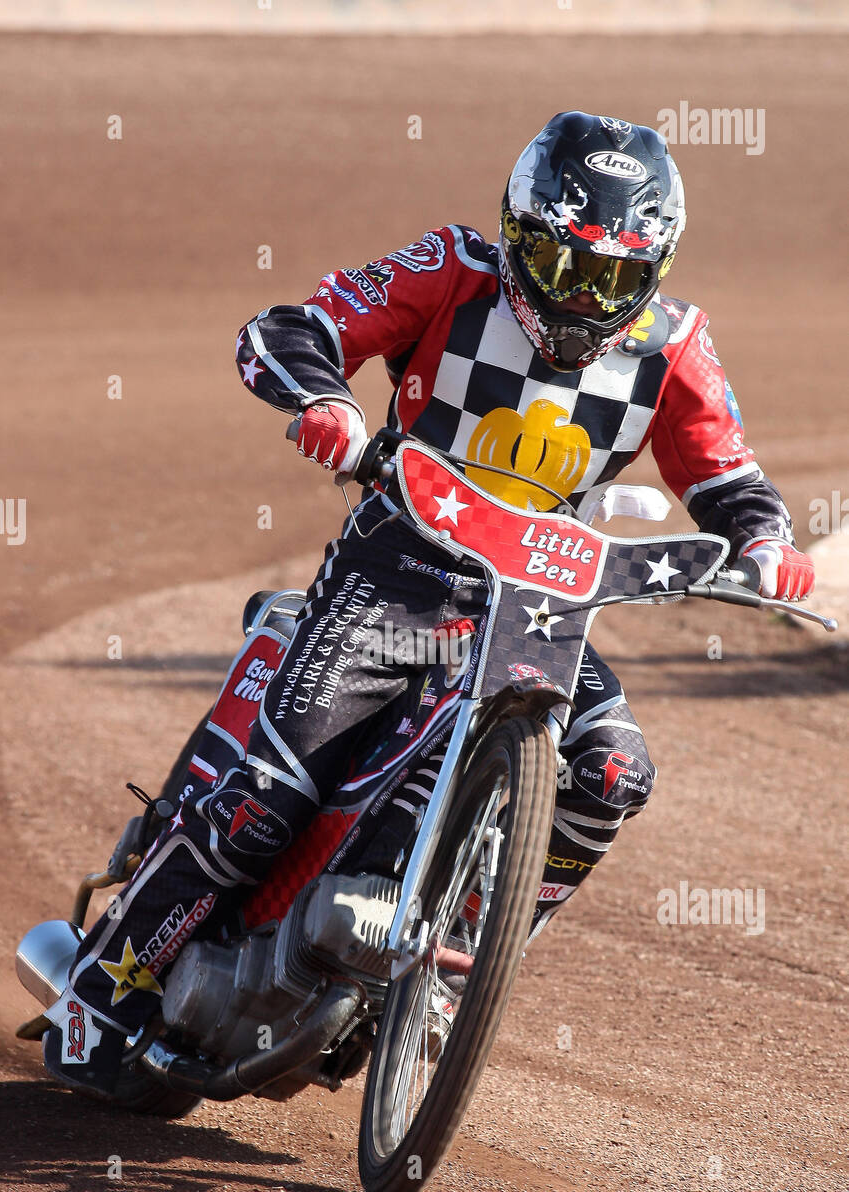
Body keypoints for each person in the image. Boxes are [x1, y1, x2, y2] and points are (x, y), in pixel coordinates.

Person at [43, 110, 814, 1098]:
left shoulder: (676, 344)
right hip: (396, 575)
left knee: (613, 772)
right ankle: (100, 1000)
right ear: (515, 233)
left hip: (537, 608)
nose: (581, 296)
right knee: (264, 800)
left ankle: (457, 963)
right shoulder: (450, 269)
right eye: (561, 264)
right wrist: (325, 402)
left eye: (612, 277)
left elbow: (727, 474)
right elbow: (288, 331)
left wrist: (766, 544)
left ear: (655, 270)